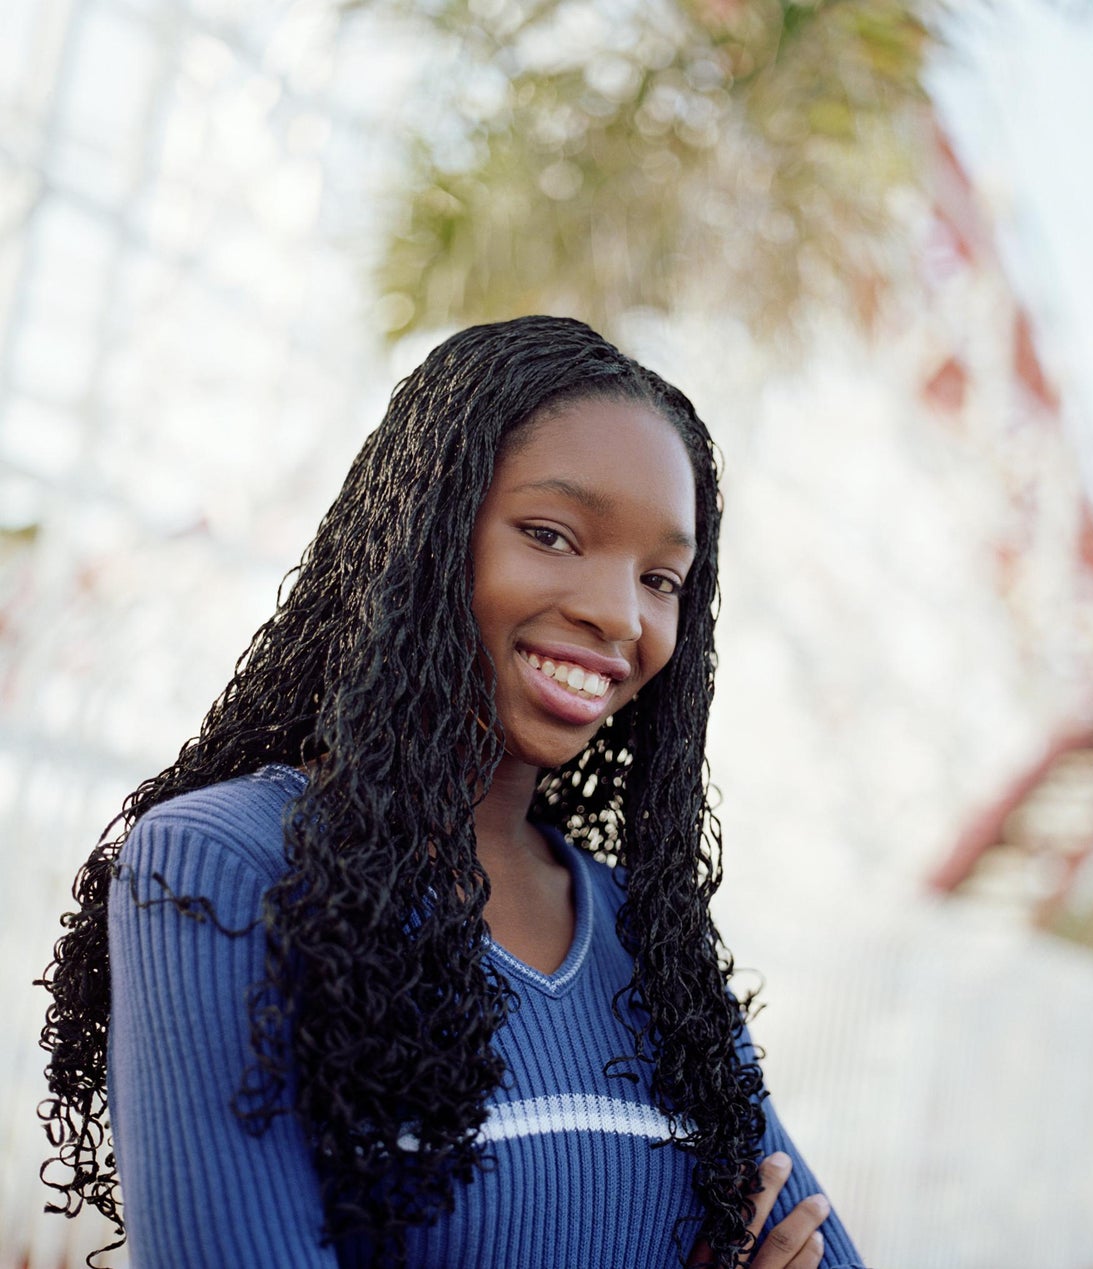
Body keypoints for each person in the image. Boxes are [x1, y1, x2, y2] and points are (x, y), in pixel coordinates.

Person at [39, 316, 864, 1268]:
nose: (619, 612)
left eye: (661, 577)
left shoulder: (651, 940)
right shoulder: (222, 866)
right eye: (552, 535)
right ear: (423, 535)